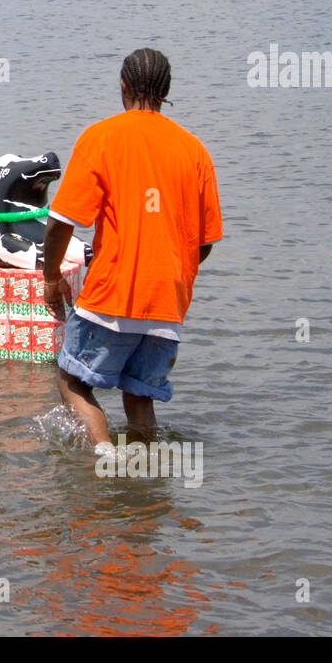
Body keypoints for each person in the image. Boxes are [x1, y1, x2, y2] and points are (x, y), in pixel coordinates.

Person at [42, 48, 223, 453]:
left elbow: (61, 221)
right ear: (166, 91)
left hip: (113, 291)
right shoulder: (195, 150)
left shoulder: (101, 137)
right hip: (168, 304)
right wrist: (169, 272)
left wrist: (52, 278)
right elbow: (204, 243)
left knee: (73, 381)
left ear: (122, 87)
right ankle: (143, 481)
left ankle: (103, 458)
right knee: (139, 396)